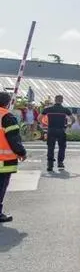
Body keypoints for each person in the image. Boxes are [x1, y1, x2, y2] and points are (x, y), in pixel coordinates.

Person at [0, 91, 29, 223]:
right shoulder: (7, 117)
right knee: (1, 186)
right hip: (3, 160)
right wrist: (21, 152)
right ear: (7, 103)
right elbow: (13, 138)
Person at [42, 94, 74, 172]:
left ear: (55, 100)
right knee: (62, 147)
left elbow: (39, 118)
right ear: (62, 100)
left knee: (50, 147)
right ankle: (60, 163)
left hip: (51, 130)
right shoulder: (65, 110)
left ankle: (50, 165)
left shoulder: (48, 109)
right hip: (61, 130)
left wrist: (45, 124)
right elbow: (73, 119)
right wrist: (69, 124)